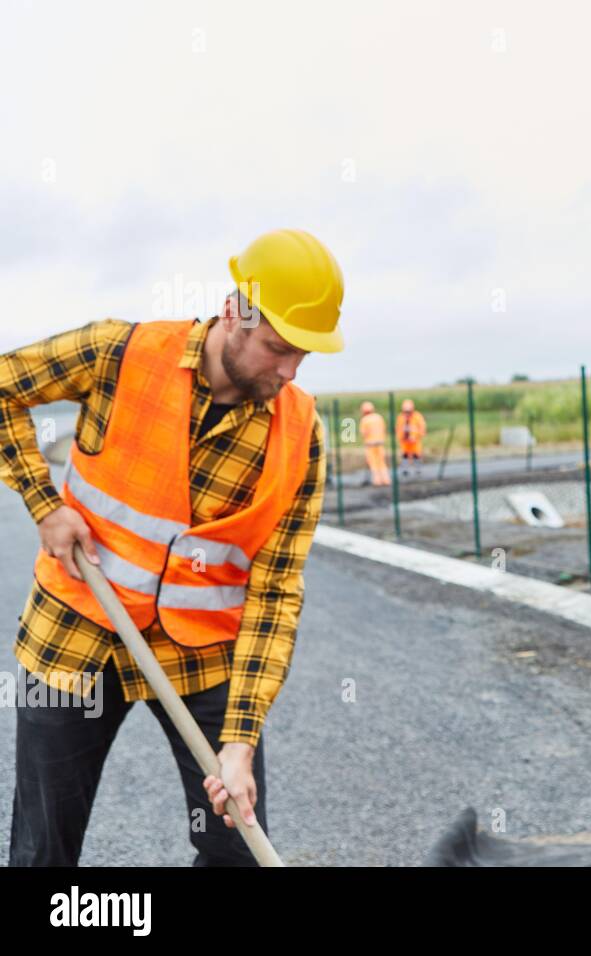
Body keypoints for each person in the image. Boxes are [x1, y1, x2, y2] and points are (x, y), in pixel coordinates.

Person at [2, 228, 344, 866]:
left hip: (200, 655)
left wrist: (239, 743)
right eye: (279, 348)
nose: (291, 370)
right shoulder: (118, 352)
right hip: (76, 630)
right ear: (237, 312)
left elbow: (274, 594)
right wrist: (44, 505)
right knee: (43, 852)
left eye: (305, 355)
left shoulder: (301, 435)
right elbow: (3, 386)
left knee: (236, 850)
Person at [359, 401, 390, 486]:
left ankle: (377, 481)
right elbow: (384, 429)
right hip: (380, 443)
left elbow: (363, 433)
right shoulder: (379, 417)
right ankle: (386, 480)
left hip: (370, 445)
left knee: (373, 463)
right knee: (382, 462)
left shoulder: (365, 420)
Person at [398, 399, 427, 465]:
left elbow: (422, 427)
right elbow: (398, 428)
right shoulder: (401, 417)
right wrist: (401, 437)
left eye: (408, 411)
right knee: (405, 455)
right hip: (404, 440)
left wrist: (417, 436)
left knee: (416, 454)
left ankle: (418, 469)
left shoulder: (417, 416)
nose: (407, 413)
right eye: (406, 411)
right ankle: (405, 470)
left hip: (415, 440)